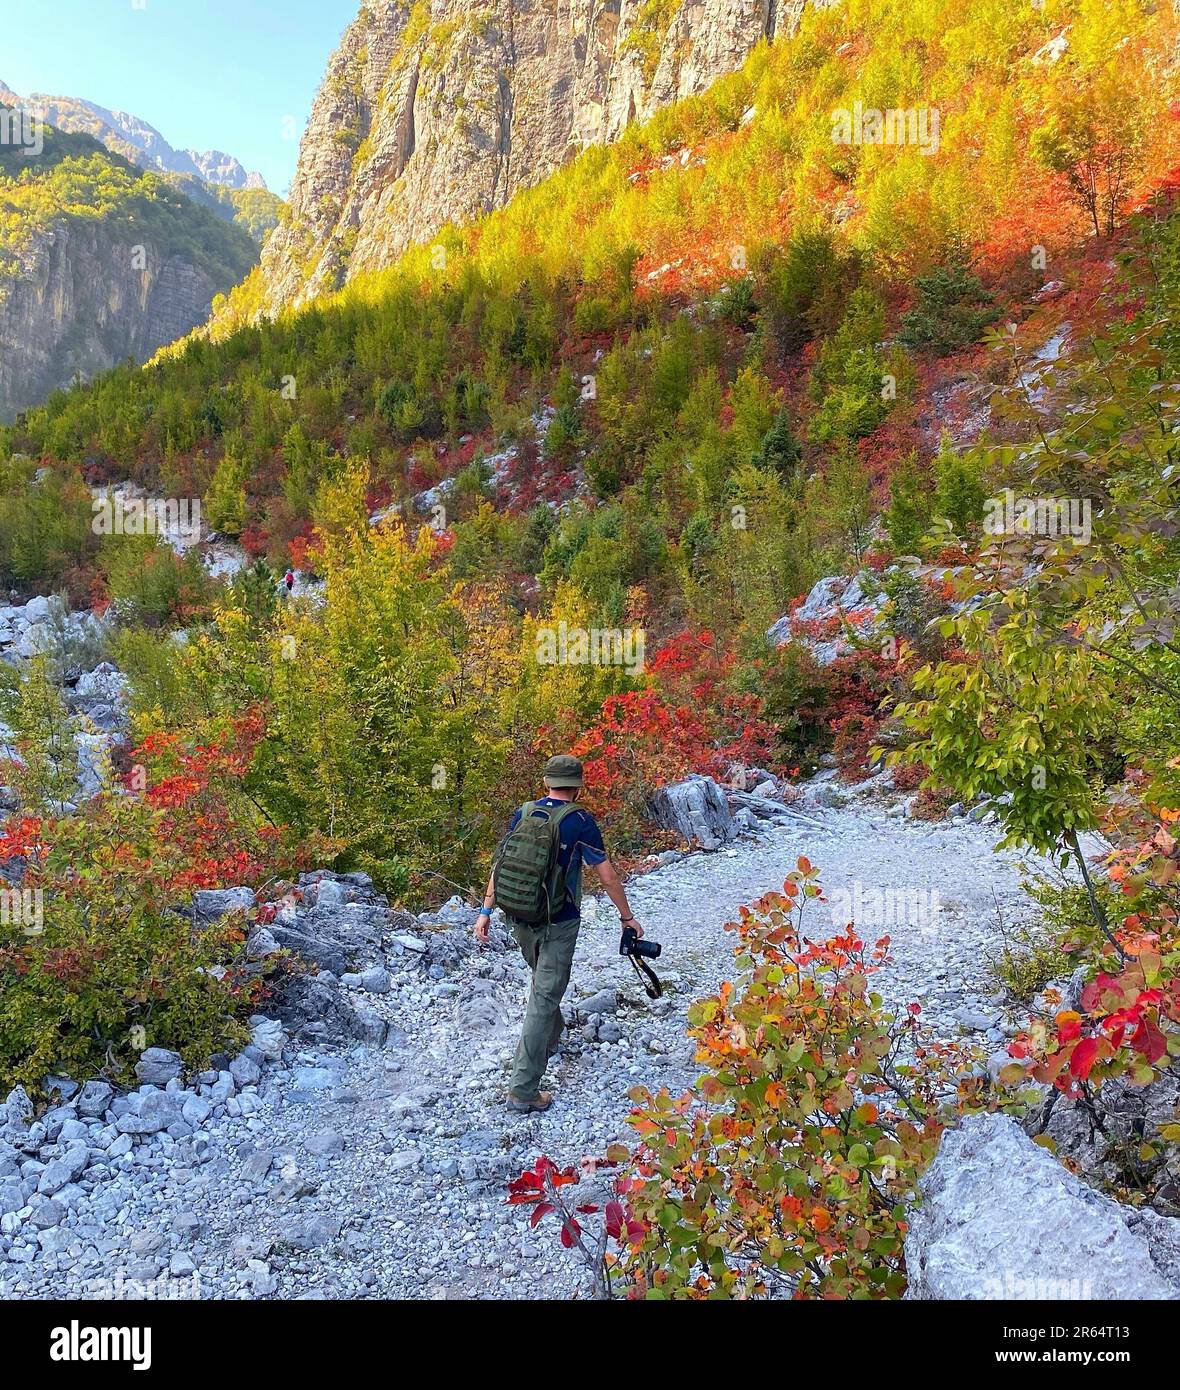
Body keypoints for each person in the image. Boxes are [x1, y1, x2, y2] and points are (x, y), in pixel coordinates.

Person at [474, 754, 641, 1113]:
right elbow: (607, 875)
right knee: (544, 996)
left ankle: (550, 1038)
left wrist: (486, 909)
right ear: (578, 786)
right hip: (558, 922)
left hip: (517, 915)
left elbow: (500, 864)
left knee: (545, 983)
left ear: (546, 782)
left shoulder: (524, 812)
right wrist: (627, 917)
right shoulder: (579, 821)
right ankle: (523, 1089)